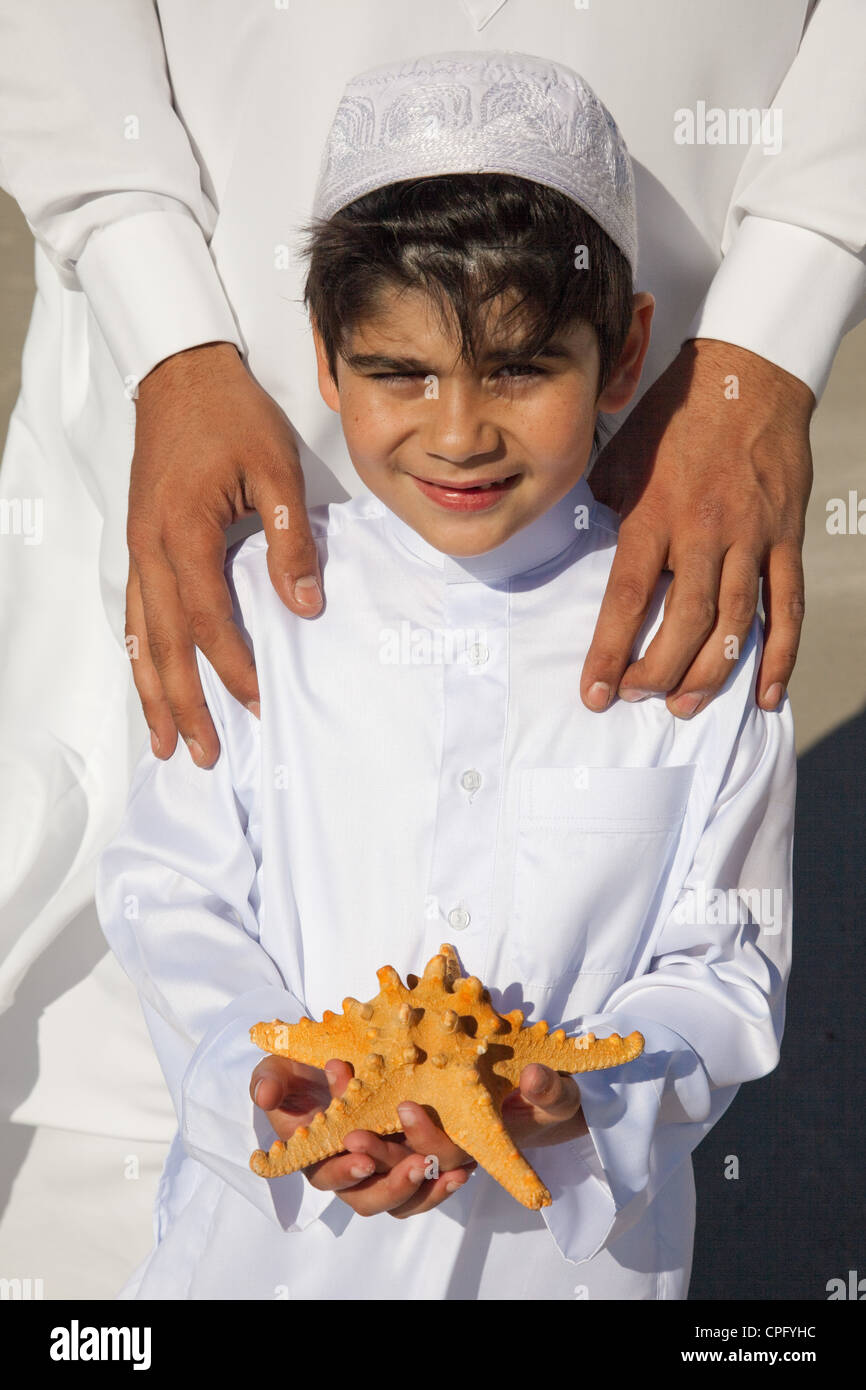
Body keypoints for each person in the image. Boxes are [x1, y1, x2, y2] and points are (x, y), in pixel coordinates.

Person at [1, 0, 854, 1298]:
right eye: (398, 373)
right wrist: (259, 1064)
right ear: (326, 363)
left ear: (625, 350)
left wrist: (588, 1092)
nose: (459, 432)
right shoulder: (266, 616)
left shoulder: (691, 642)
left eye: (517, 369)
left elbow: (723, 962)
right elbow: (173, 890)